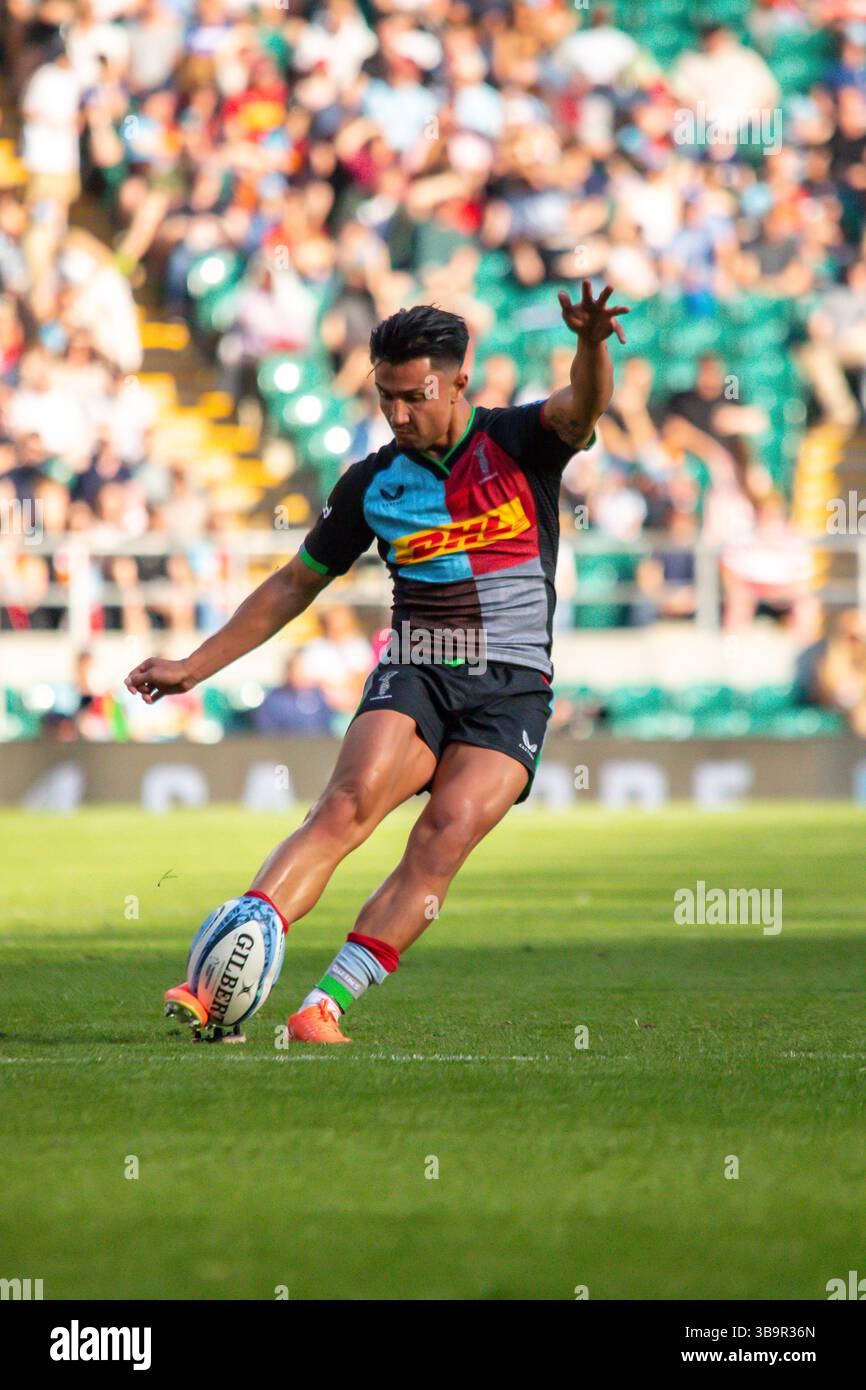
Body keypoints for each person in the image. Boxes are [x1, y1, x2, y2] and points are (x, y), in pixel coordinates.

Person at [125, 288, 628, 1043]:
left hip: (516, 688)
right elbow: (297, 583)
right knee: (345, 804)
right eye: (384, 396)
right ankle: (213, 979)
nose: (397, 414)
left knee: (445, 834)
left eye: (413, 397)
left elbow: (584, 407)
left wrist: (590, 344)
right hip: (418, 667)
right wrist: (197, 665)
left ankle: (322, 1007)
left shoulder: (522, 441)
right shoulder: (372, 482)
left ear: (459, 381)